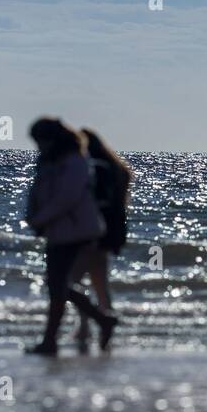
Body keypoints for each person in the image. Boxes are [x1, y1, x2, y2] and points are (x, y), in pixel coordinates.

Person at [23, 118, 105, 356]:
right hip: (57, 230)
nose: (38, 146)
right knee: (57, 286)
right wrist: (32, 216)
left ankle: (51, 340)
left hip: (76, 231)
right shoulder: (48, 162)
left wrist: (41, 219)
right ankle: (99, 320)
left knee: (57, 285)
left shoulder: (74, 162)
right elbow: (38, 191)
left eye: (41, 141)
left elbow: (67, 197)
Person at [75, 127, 132, 352]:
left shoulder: (93, 168)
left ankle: (88, 326)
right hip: (108, 234)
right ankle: (99, 325)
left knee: (74, 283)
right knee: (100, 283)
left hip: (90, 232)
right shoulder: (115, 169)